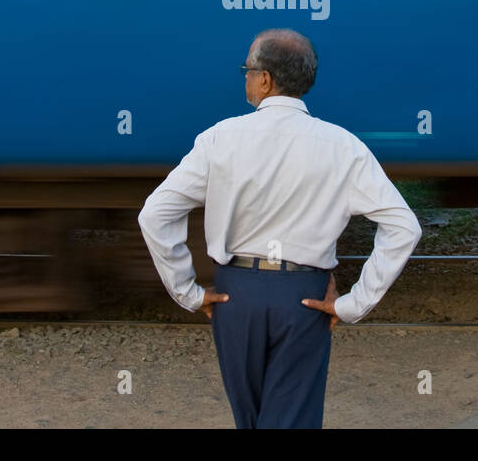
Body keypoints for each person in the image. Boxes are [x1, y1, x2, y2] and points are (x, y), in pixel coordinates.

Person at [138, 28, 422, 428]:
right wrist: (353, 304)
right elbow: (403, 226)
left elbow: (154, 215)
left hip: (235, 297)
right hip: (303, 299)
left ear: (266, 79)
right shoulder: (343, 146)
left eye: (247, 70)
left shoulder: (219, 139)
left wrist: (188, 292)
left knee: (250, 422)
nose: (246, 78)